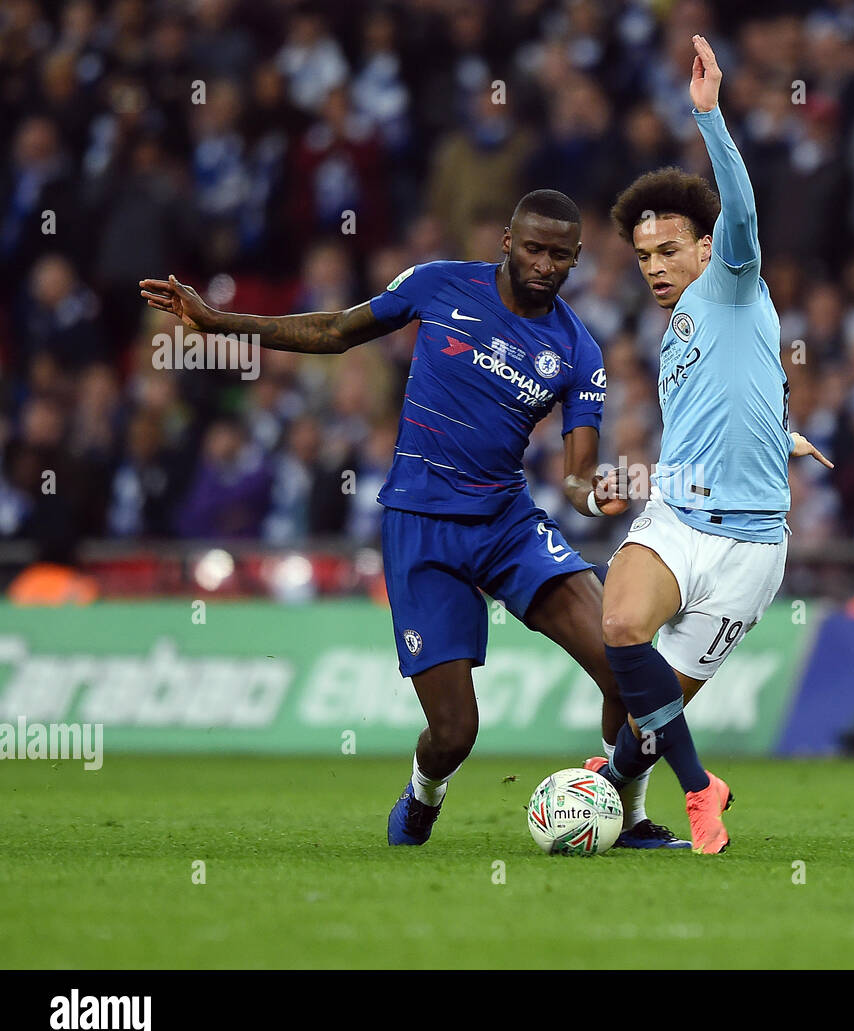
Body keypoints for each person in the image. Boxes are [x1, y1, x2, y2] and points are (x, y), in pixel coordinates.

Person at [139, 189, 688, 849]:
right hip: (421, 526)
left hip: (507, 522)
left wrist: (595, 495)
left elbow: (575, 475)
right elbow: (336, 331)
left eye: (560, 256)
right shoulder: (438, 284)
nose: (545, 265)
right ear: (508, 243)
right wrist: (220, 321)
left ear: (576, 259)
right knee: (455, 733)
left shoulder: (578, 351)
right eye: (534, 249)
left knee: (626, 662)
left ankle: (626, 815)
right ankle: (425, 792)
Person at [591, 36, 831, 853]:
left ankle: (618, 797)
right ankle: (699, 788)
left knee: (646, 724)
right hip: (677, 517)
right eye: (643, 257)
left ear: (707, 247)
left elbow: (744, 212)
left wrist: (709, 117)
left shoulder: (731, 281)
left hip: (749, 548)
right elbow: (722, 409)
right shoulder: (677, 334)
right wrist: (783, 431)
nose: (655, 268)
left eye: (669, 251)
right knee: (620, 624)